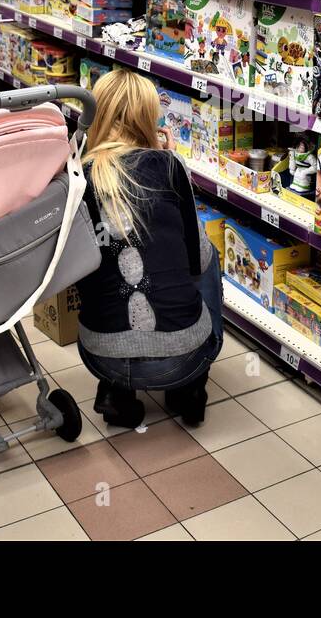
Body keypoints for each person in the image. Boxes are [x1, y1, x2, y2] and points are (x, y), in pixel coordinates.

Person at [74, 69, 223, 429]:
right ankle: (189, 391)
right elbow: (197, 259)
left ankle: (116, 393)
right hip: (180, 357)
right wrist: (174, 166)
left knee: (105, 267)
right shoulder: (170, 166)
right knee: (208, 255)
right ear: (148, 117)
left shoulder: (78, 175)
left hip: (101, 355)